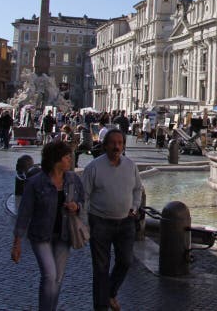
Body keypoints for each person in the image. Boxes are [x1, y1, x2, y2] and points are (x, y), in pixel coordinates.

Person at [12, 141, 84, 311]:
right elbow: (24, 213)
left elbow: (83, 200)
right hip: (41, 235)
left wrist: (77, 206)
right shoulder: (36, 182)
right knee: (49, 275)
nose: (70, 160)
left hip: (64, 234)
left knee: (57, 278)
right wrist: (17, 242)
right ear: (56, 159)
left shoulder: (73, 179)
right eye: (67, 157)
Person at [83, 128, 143, 311]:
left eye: (120, 143)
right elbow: (85, 196)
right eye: (113, 143)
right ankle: (100, 307)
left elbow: (137, 189)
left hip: (125, 222)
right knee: (100, 268)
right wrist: (84, 223)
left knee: (125, 261)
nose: (117, 147)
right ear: (105, 145)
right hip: (100, 221)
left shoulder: (130, 166)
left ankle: (109, 292)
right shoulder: (93, 168)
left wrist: (134, 207)